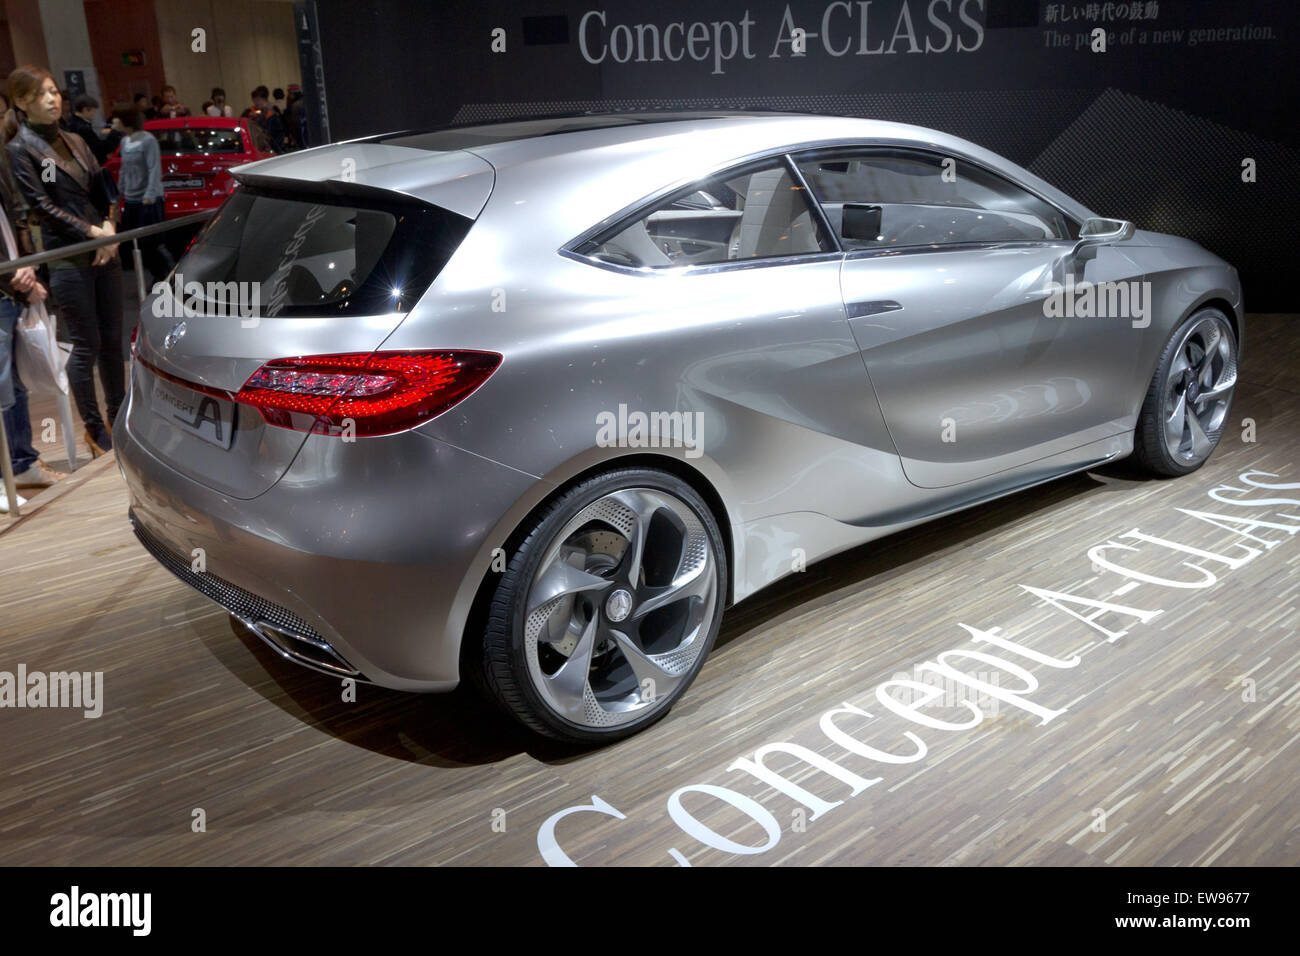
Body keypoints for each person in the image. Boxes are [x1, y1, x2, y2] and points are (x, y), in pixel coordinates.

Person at [5, 65, 122, 457]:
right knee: (86, 344)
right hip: (69, 256)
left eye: (54, 91)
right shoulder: (22, 149)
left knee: (111, 341)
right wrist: (93, 235)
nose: (53, 99)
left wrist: (109, 226)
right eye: (42, 94)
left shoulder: (75, 138)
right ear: (22, 102)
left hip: (105, 245)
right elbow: (43, 206)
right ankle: (93, 429)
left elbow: (105, 185)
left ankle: (118, 415)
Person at [0, 130, 63, 497]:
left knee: (14, 385)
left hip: (14, 283)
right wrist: (15, 275)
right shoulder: (18, 153)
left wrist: (25, 269)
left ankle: (21, 463)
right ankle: (14, 468)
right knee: (5, 387)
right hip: (9, 283)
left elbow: (17, 224)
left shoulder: (7, 163)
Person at [113, 106, 173, 284]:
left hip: (148, 200)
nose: (113, 122)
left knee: (153, 241)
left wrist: (150, 194)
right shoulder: (125, 141)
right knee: (137, 242)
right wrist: (119, 193)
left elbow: (154, 168)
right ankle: (156, 274)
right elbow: (124, 169)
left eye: (117, 119)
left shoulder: (148, 140)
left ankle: (167, 274)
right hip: (131, 198)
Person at [66, 94, 114, 164]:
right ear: (85, 110)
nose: (94, 114)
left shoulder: (71, 122)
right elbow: (98, 149)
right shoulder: (83, 128)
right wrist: (113, 135)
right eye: (93, 111)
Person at [242, 85, 284, 152]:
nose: (256, 102)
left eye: (259, 99)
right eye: (254, 100)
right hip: (256, 146)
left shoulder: (272, 113)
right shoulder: (249, 112)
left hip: (271, 147)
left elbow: (279, 133)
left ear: (264, 99)